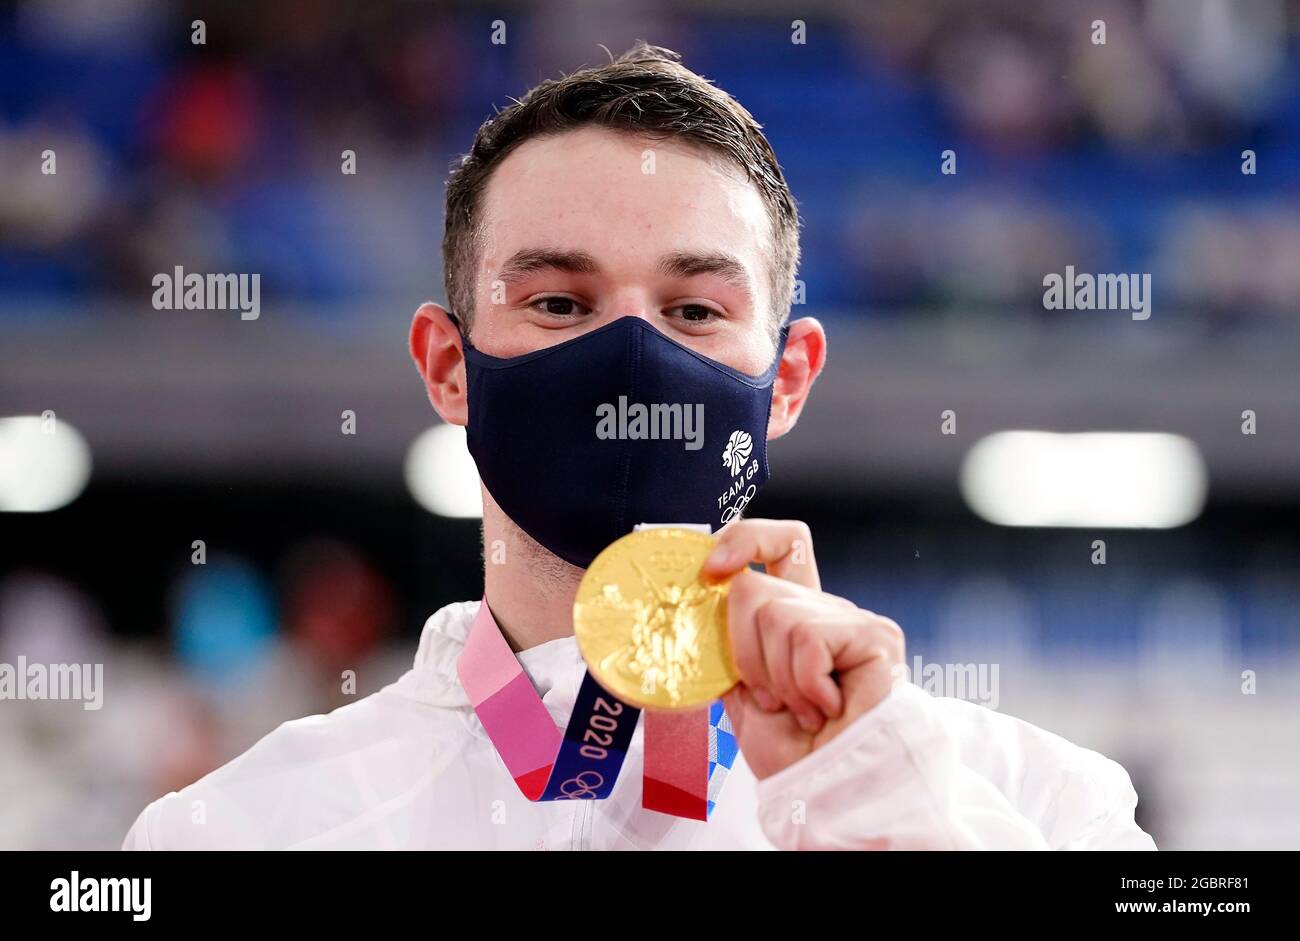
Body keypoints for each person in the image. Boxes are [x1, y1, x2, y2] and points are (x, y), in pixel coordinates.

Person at [123, 44, 1155, 850]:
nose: (630, 357)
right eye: (560, 300)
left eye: (695, 308)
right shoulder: (236, 829)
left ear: (787, 376)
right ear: (448, 366)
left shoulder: (1040, 802)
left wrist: (877, 806)